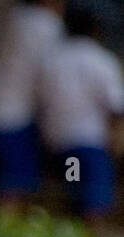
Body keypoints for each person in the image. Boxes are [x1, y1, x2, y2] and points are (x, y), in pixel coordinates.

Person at [37, 3, 124, 224]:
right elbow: (116, 106)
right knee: (92, 205)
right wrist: (113, 141)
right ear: (96, 29)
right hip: (86, 145)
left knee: (69, 195)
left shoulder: (52, 57)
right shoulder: (100, 60)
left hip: (54, 142)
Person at [0, 0, 66, 208]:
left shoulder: (17, 16)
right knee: (11, 192)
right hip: (12, 118)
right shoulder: (47, 25)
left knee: (1, 188)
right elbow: (47, 79)